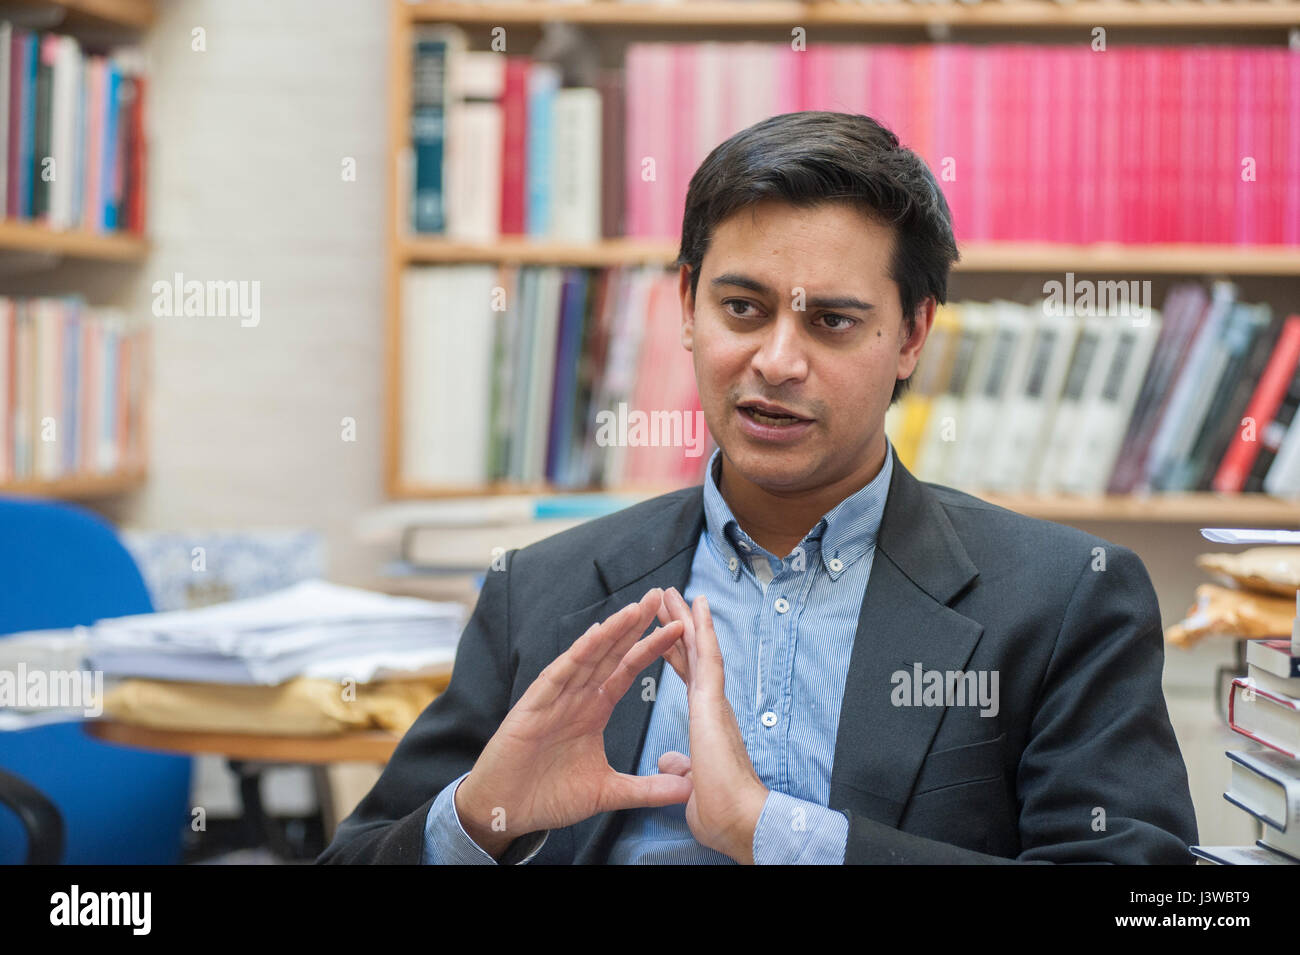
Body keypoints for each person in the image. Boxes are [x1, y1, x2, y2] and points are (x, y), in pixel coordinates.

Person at [319, 111, 1198, 865]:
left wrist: (771, 833)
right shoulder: (542, 591)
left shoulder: (1064, 599)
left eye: (832, 321)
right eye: (743, 308)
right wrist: (480, 816)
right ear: (689, 305)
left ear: (910, 336)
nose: (776, 362)